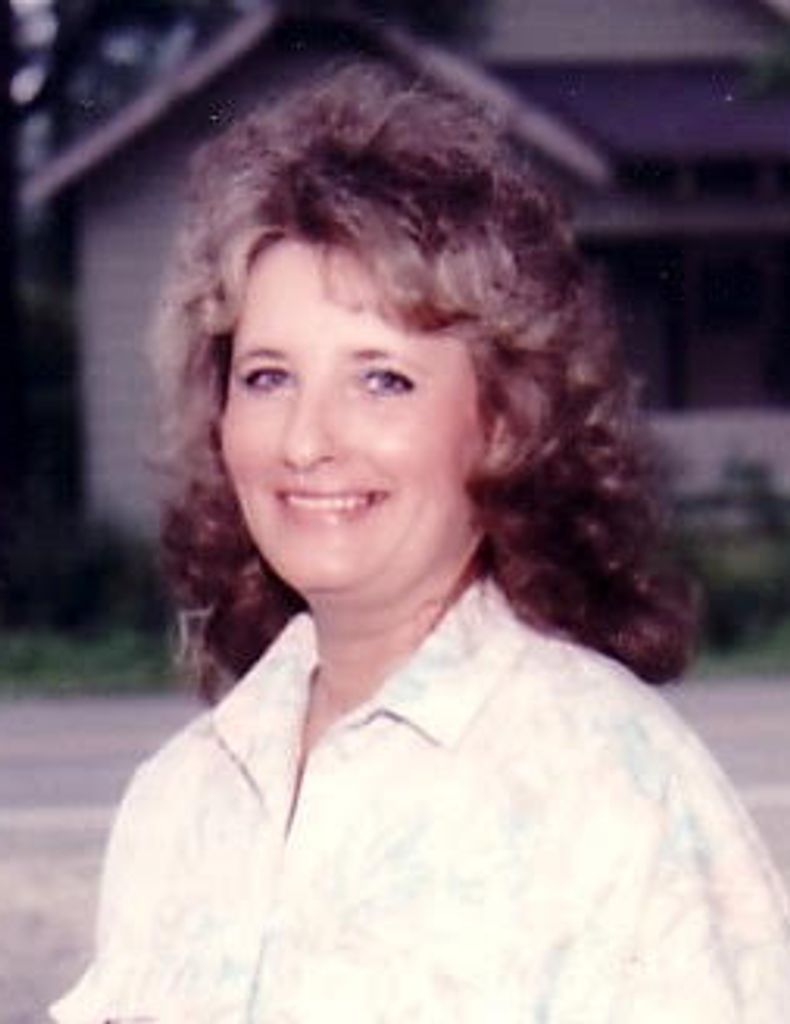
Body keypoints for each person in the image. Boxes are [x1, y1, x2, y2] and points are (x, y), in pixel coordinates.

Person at [52, 62, 790, 1023]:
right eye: (269, 377)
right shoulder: (180, 799)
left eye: (382, 380)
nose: (307, 440)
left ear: (504, 420)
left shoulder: (612, 788)